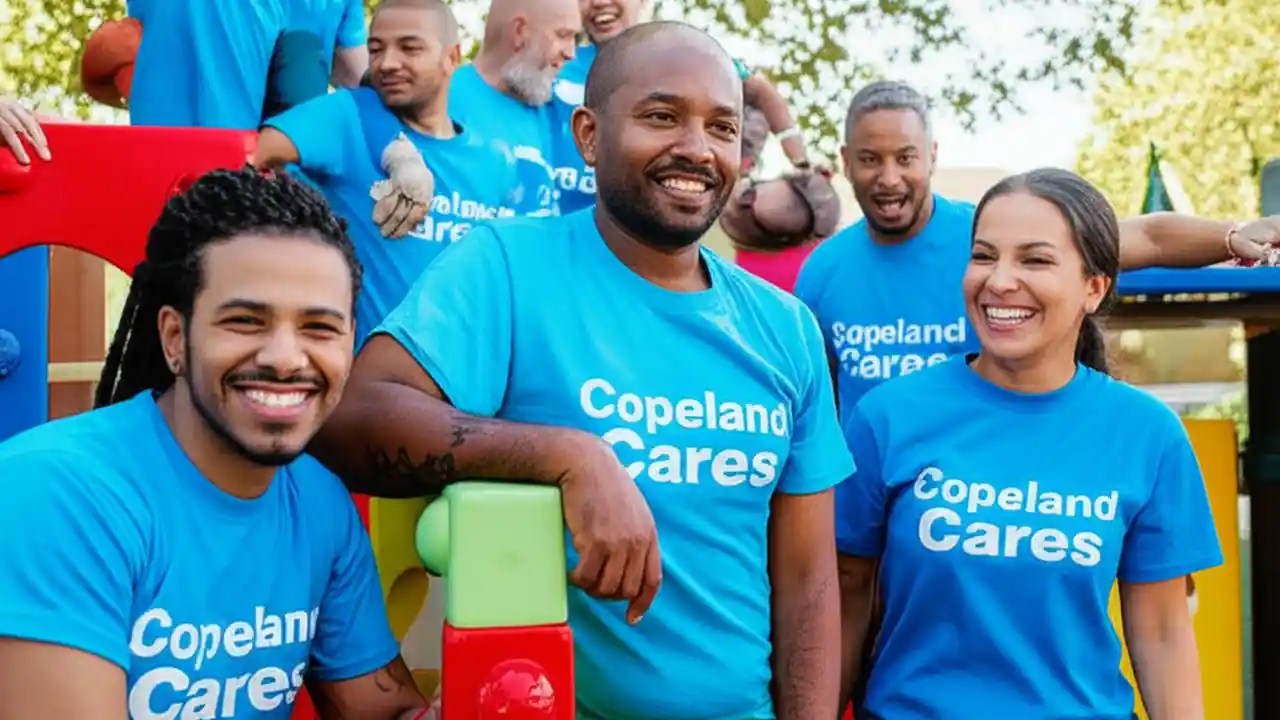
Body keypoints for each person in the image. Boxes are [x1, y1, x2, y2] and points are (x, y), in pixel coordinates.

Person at [310, 21, 853, 720]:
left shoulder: (786, 329)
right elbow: (352, 420)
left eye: (721, 127)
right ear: (589, 135)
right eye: (662, 117)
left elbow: (807, 582)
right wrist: (567, 455)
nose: (696, 148)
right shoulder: (506, 266)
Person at [0, 168, 436, 719]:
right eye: (245, 321)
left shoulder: (318, 499)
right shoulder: (56, 495)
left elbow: (384, 711)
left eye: (319, 328)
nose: (285, 357)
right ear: (175, 338)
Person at [834, 167, 1222, 719]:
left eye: (1035, 260)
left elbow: (1162, 631)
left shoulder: (1147, 434)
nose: (999, 281)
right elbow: (845, 597)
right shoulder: (888, 417)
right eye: (985, 256)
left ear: (1095, 287)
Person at [795, 80, 1280, 416]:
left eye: (906, 158)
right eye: (869, 160)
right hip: (871, 514)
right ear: (844, 162)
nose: (889, 178)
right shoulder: (823, 273)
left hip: (992, 491)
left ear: (933, 156)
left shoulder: (994, 235)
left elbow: (1147, 238)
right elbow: (815, 408)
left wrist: (1231, 236)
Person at [257, 0, 549, 341]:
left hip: (459, 381)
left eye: (410, 48)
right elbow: (254, 157)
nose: (388, 63)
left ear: (451, 57)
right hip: (363, 379)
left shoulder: (494, 162)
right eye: (376, 49)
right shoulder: (347, 115)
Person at [549, 0, 813, 214]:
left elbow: (762, 92)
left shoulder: (685, 56)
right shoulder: (554, 65)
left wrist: (801, 163)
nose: (600, 3)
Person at [445, 0, 579, 211]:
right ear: (519, 31)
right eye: (562, 35)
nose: (571, 53)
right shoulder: (444, 101)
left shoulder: (552, 110)